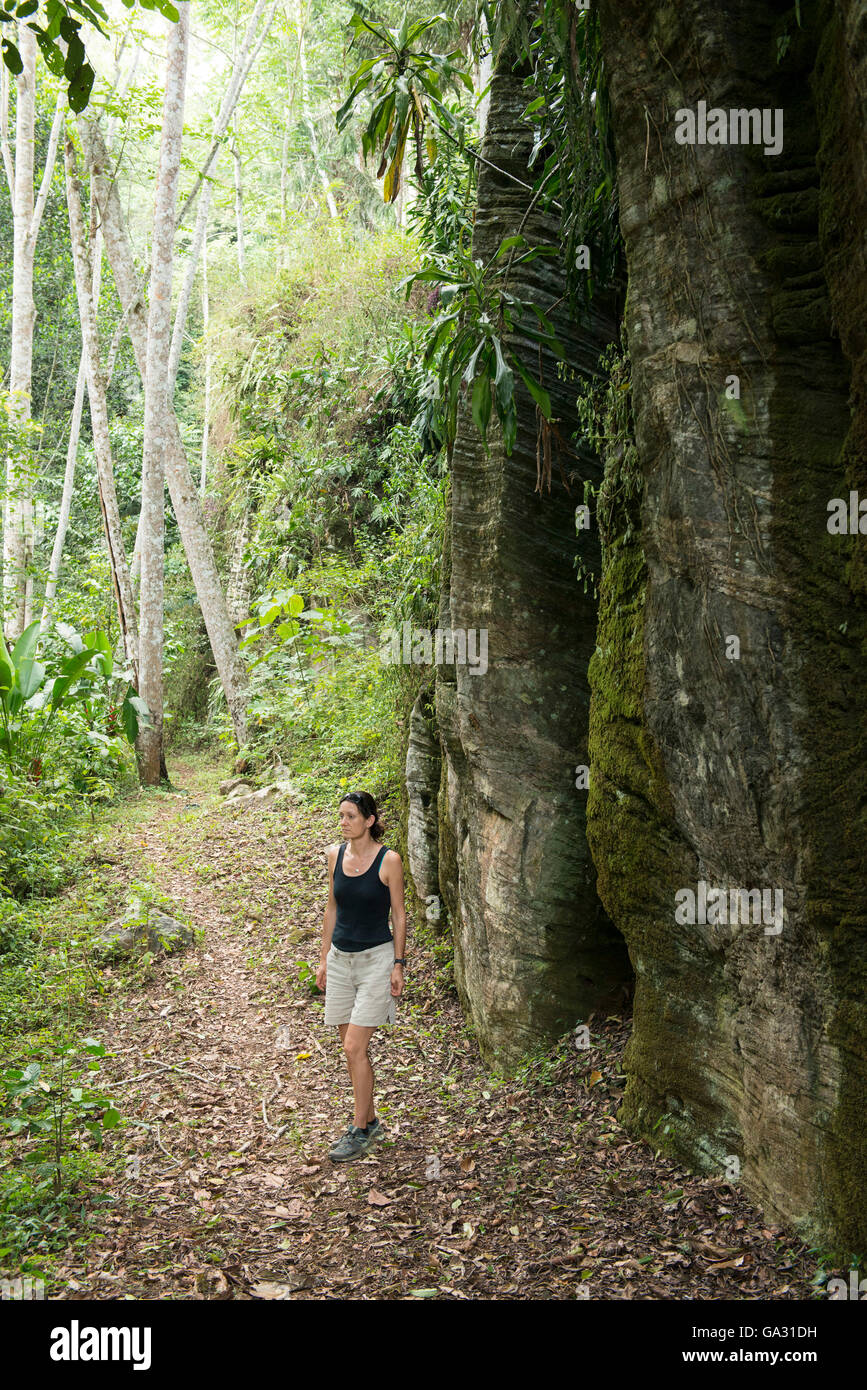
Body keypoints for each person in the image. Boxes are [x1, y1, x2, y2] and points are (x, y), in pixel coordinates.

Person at [317, 790, 407, 1162]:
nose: (343, 822)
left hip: (376, 960)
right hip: (340, 960)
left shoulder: (389, 861)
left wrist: (399, 963)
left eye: (350, 816)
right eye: (341, 816)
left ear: (369, 820)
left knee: (355, 1047)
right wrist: (323, 960)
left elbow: (400, 914)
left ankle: (358, 1131)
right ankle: (369, 1121)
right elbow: (331, 907)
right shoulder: (335, 855)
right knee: (352, 1050)